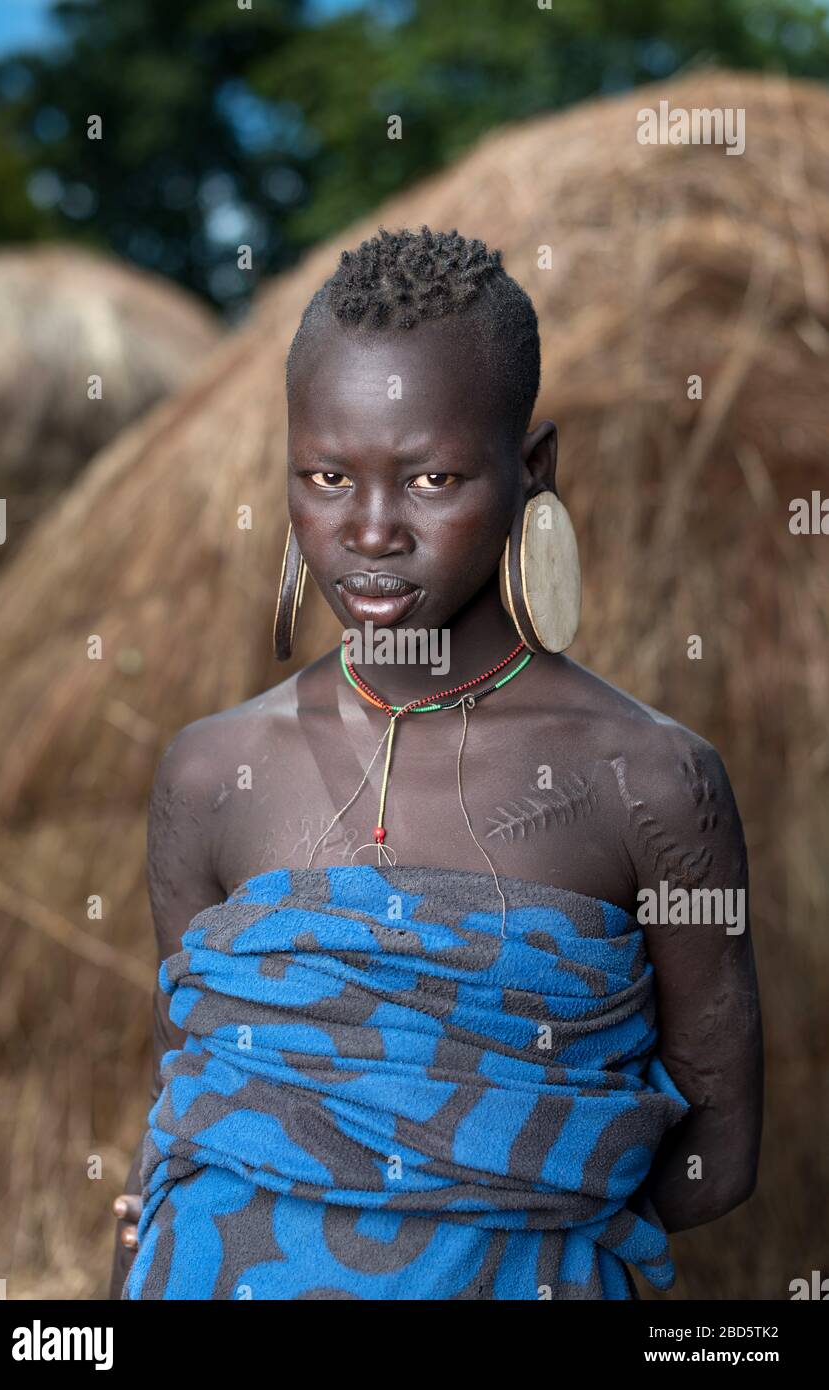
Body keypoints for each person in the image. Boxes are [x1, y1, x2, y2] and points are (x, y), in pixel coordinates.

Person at [110, 226, 762, 1300]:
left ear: (532, 468)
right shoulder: (208, 775)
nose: (370, 530)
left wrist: (495, 1229)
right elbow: (190, 1106)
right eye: (327, 475)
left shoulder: (649, 783)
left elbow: (717, 1153)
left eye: (433, 478)